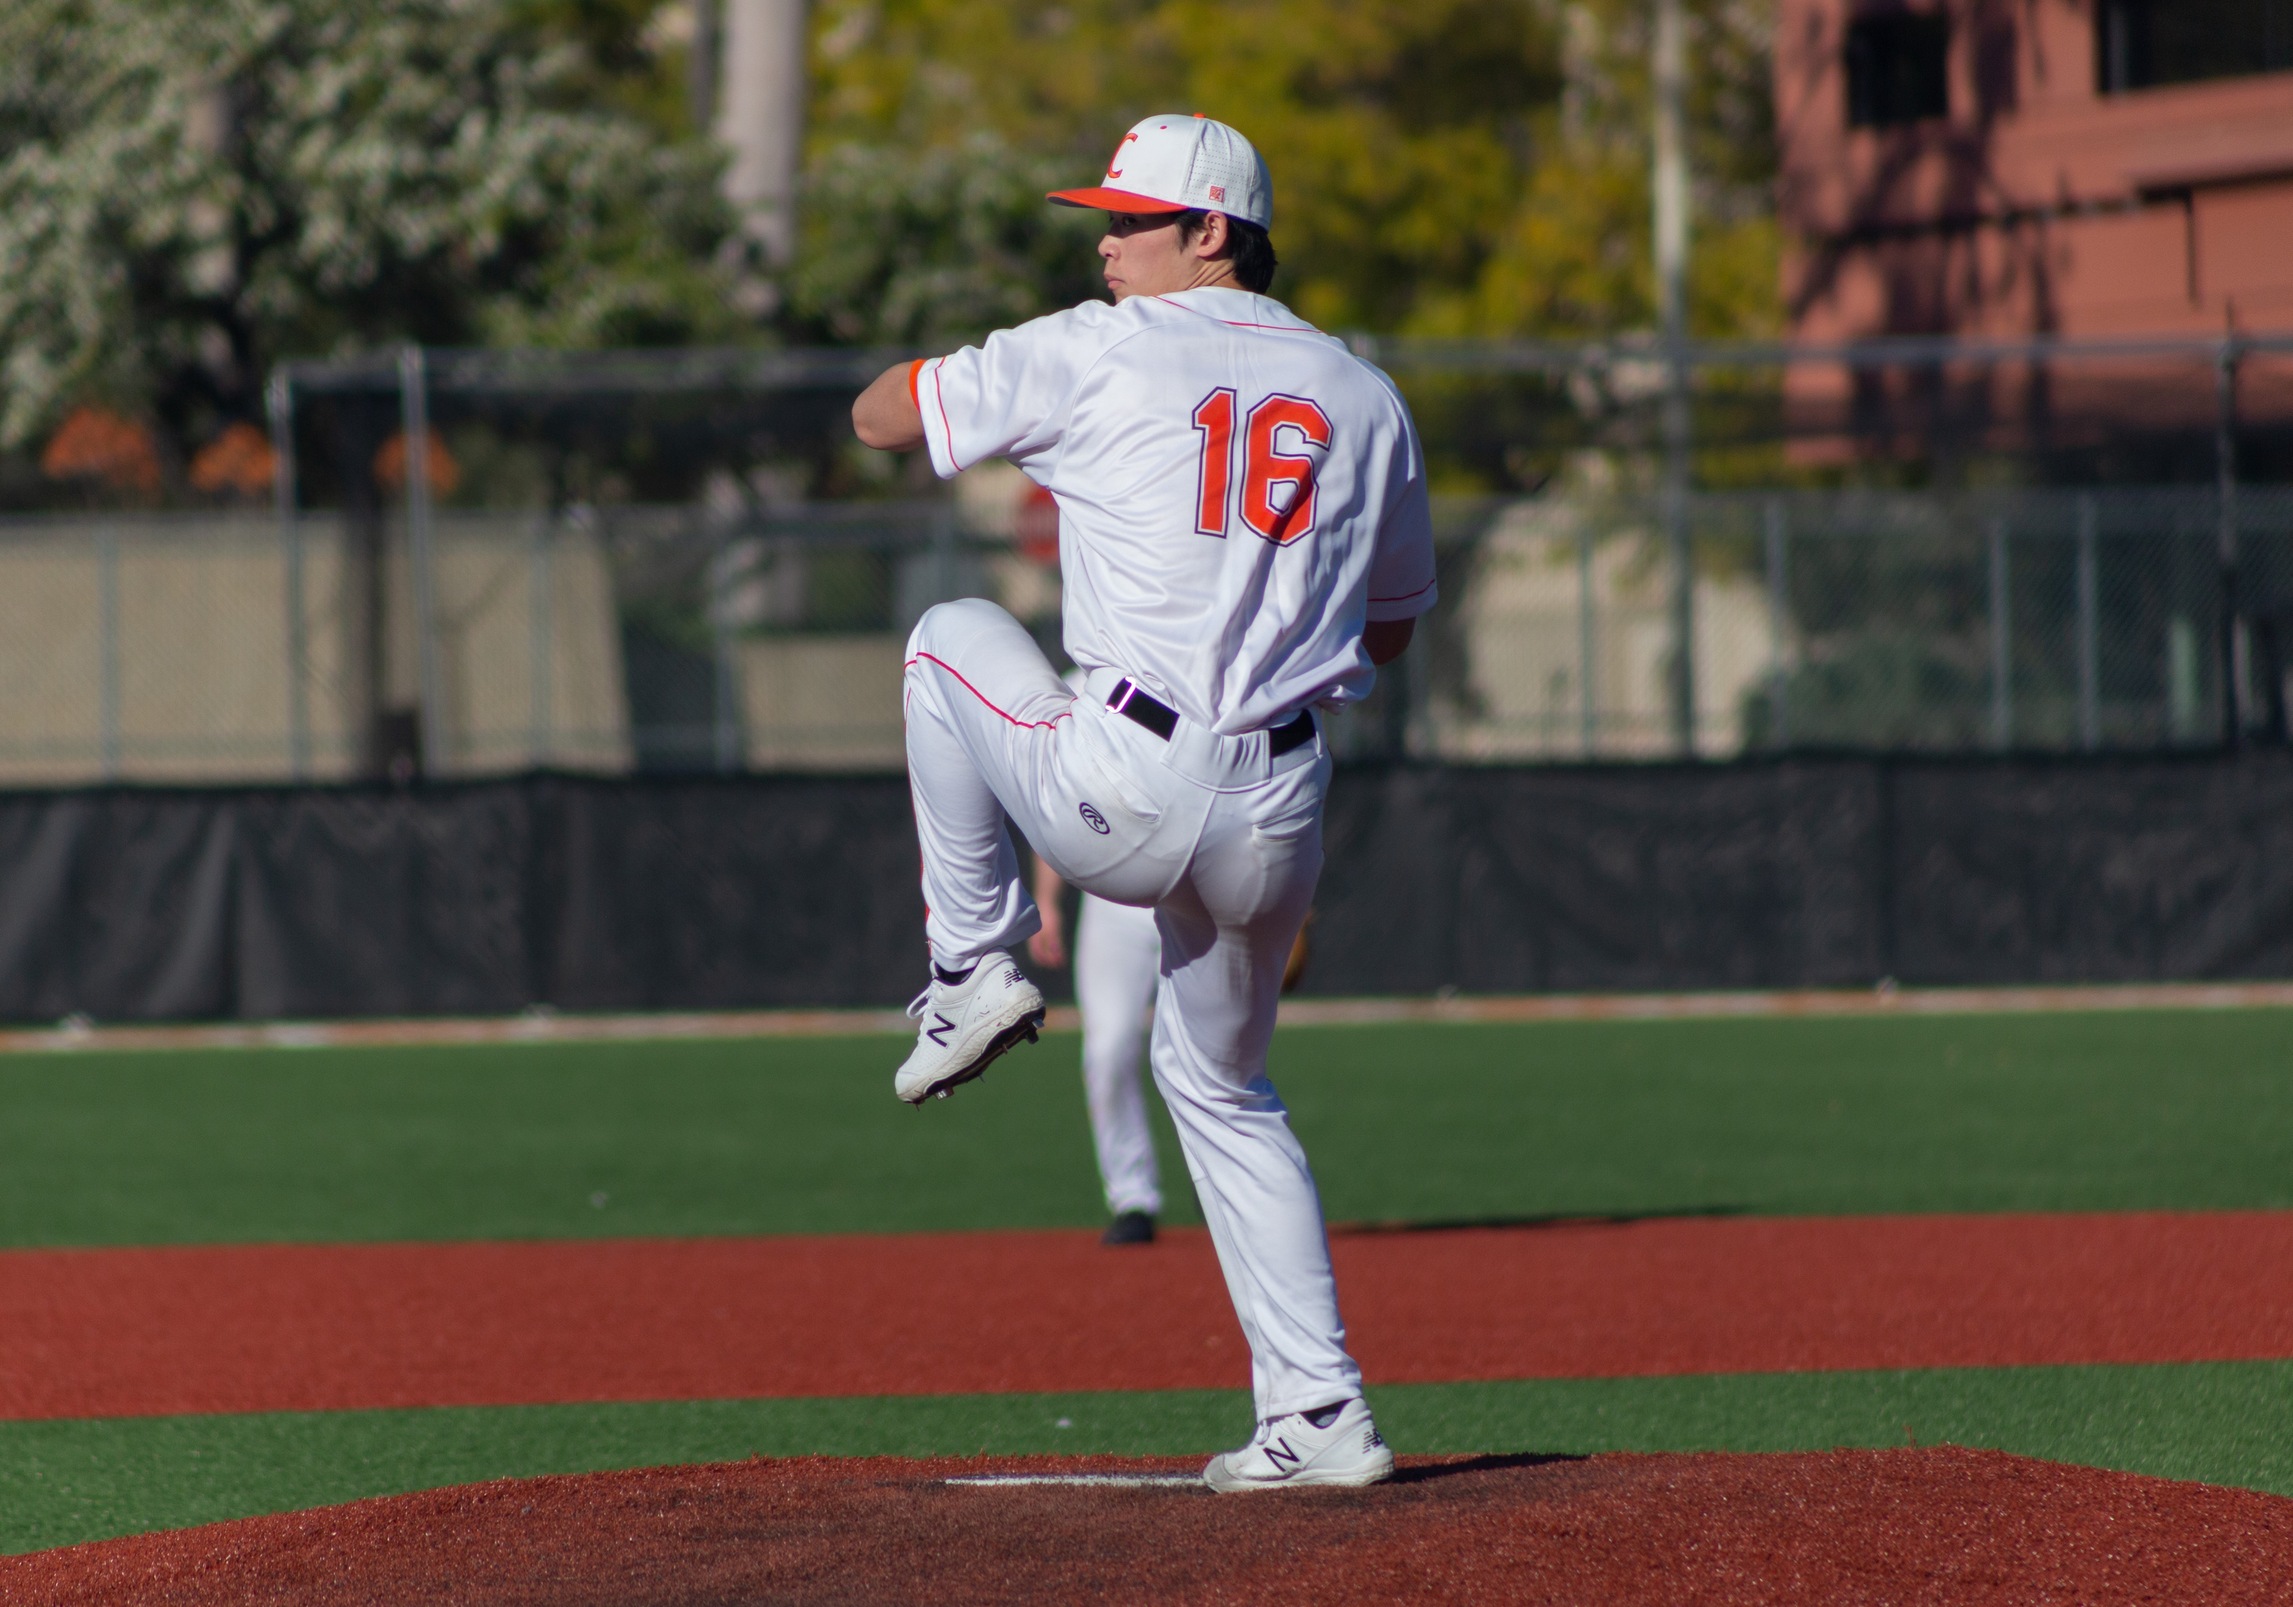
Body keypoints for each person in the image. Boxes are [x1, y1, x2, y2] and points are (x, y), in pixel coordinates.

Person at [851, 112, 1436, 1492]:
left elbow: (884, 414)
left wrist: (989, 391)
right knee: (1227, 1084)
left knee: (943, 635)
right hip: (1280, 805)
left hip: (1125, 779)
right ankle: (1322, 1409)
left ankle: (970, 967)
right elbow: (1396, 629)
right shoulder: (1366, 394)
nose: (1105, 242)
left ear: (1212, 231)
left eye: (1130, 219)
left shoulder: (1094, 348)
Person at [1028, 855, 1165, 1248]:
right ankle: (1132, 1198)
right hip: (1114, 897)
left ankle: (1218, 1179)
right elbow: (1054, 801)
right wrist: (1046, 900)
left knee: (1208, 1053)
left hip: (1201, 894)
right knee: (1106, 1053)